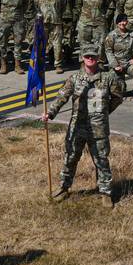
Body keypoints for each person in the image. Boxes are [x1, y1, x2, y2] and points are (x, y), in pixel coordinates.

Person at [43, 45, 123, 207]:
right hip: (77, 127)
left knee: (101, 159)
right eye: (87, 56)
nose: (90, 58)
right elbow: (61, 98)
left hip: (98, 128)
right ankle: (64, 187)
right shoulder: (74, 78)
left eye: (93, 56)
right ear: (82, 58)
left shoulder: (108, 78)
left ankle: (106, 192)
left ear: (98, 58)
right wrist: (50, 113)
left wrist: (104, 113)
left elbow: (117, 98)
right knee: (70, 157)